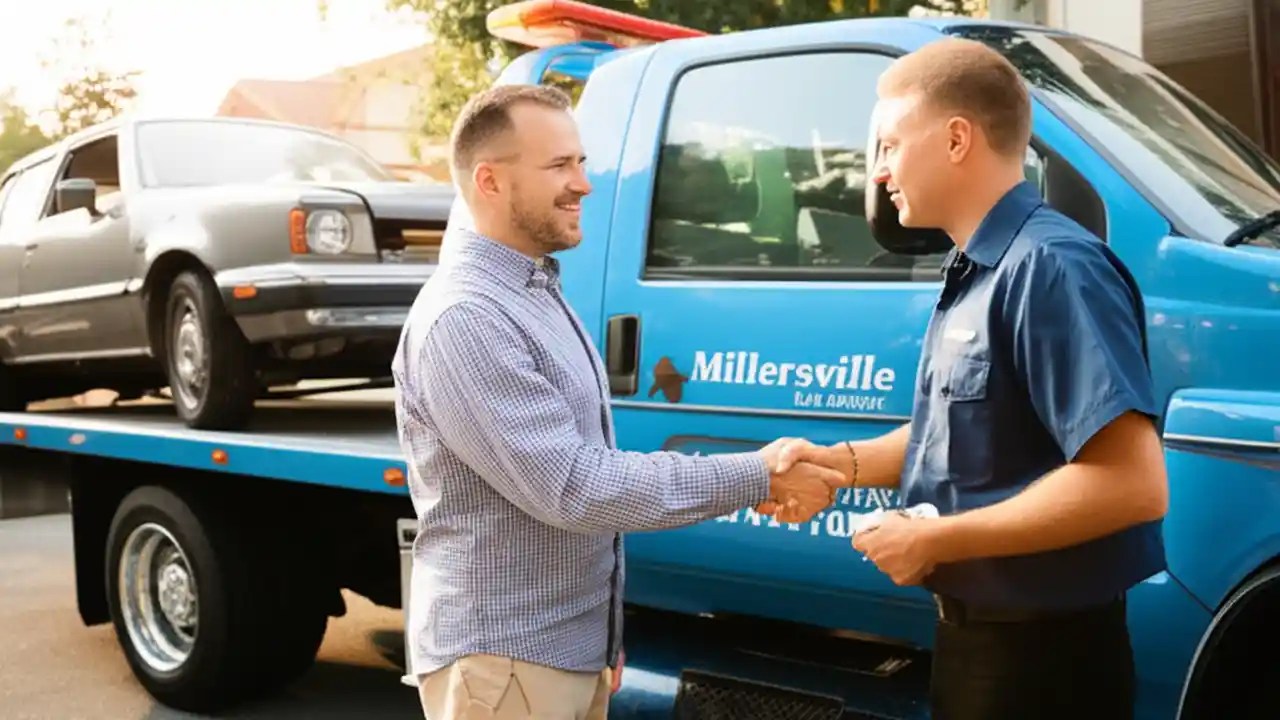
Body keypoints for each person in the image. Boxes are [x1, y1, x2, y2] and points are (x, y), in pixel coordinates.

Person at [391, 83, 845, 720]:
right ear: (489, 182)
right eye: (559, 166)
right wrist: (754, 474)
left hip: (554, 658)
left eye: (580, 162)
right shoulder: (467, 318)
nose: (584, 184)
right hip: (507, 664)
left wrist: (601, 642)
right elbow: (574, 488)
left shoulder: (532, 290)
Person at [775, 38, 1169, 720]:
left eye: (892, 145)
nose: (879, 172)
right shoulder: (981, 268)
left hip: (1045, 668)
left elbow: (1130, 484)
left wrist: (936, 540)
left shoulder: (1052, 267)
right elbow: (950, 437)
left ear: (957, 138)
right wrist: (835, 464)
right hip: (980, 647)